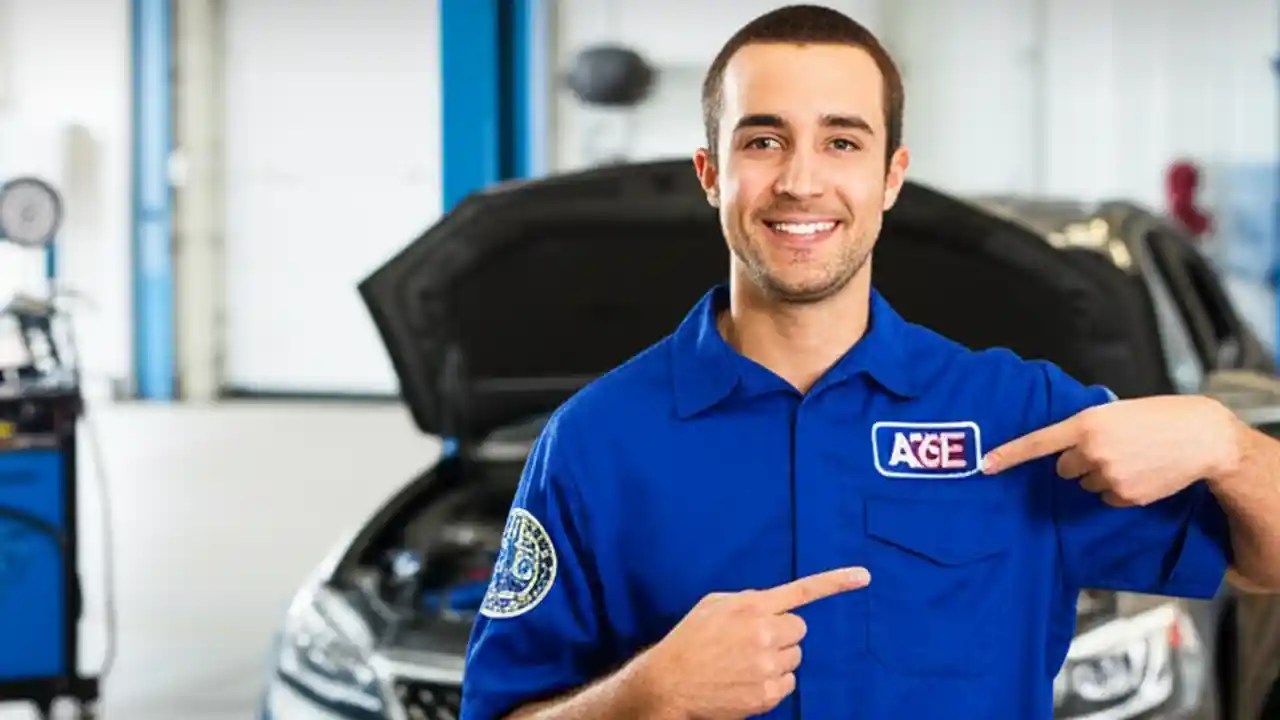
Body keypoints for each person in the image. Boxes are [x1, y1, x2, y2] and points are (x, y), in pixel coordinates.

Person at [460, 5, 1280, 719]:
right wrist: (647, 696)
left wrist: (1229, 447)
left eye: (842, 141)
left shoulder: (1021, 417)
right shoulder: (595, 445)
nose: (801, 180)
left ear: (891, 177)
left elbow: (1265, 565)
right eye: (764, 140)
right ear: (711, 173)